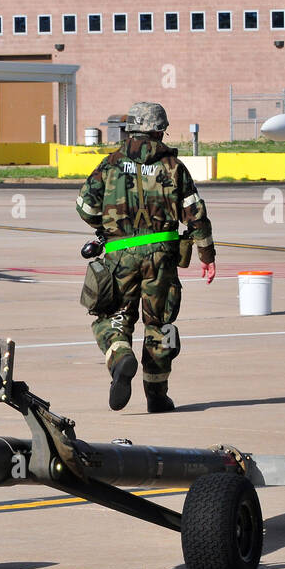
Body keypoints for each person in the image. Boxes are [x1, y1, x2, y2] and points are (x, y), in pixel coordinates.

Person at [75, 102, 215, 413]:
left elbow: (85, 207)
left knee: (112, 317)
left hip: (118, 255)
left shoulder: (109, 164)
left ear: (131, 129)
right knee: (160, 325)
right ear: (158, 129)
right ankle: (157, 395)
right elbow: (196, 215)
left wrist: (107, 227)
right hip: (162, 257)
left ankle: (120, 355)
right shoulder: (173, 167)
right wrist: (206, 253)